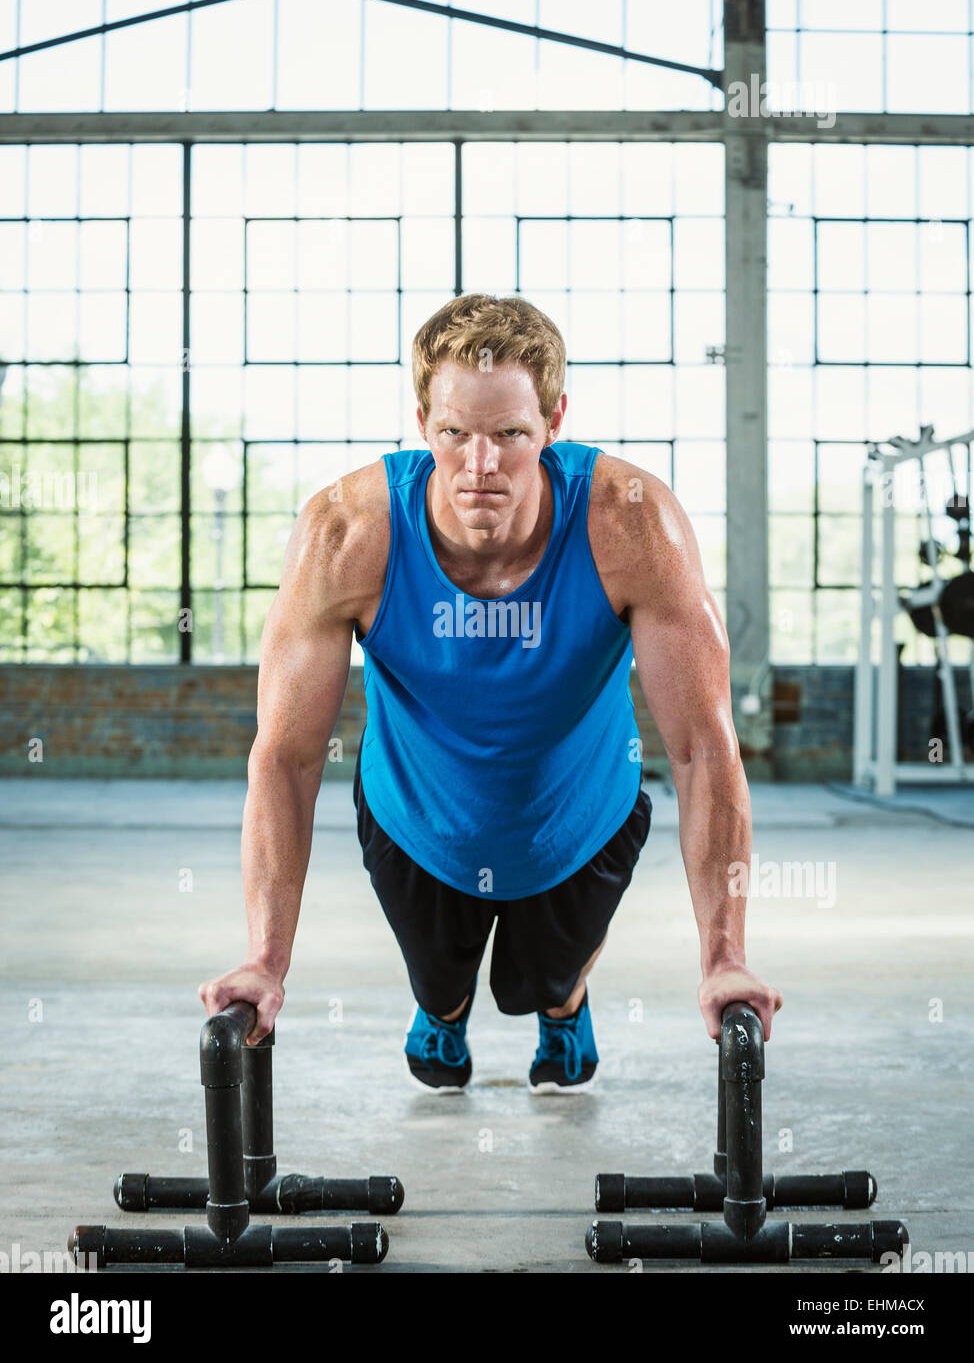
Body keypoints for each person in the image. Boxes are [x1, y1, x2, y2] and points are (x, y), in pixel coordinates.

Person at [200, 293, 782, 1094]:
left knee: (537, 983)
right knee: (441, 986)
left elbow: (702, 748)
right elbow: (288, 756)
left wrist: (726, 960)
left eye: (509, 434)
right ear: (421, 422)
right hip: (418, 820)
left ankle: (566, 1004)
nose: (481, 465)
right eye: (455, 434)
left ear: (553, 420)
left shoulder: (633, 525)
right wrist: (265, 961)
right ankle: (441, 1013)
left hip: (581, 818)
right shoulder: (346, 534)